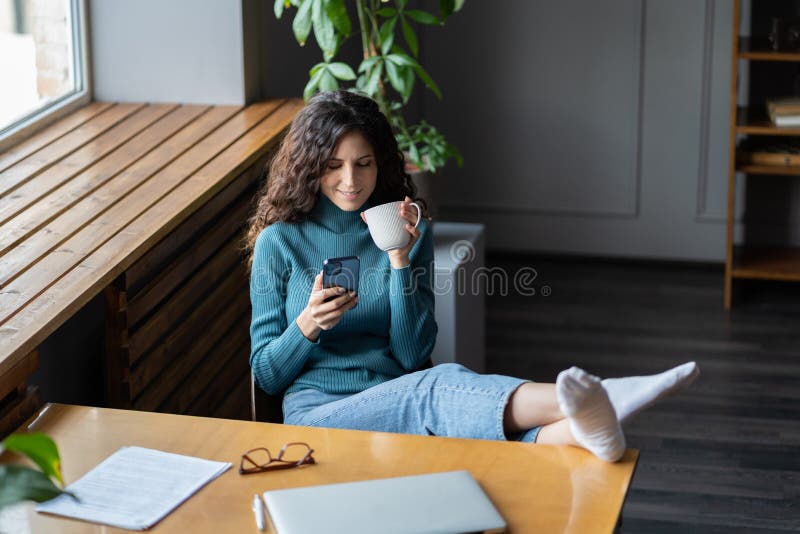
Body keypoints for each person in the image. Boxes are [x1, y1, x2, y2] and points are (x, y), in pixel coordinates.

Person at [245, 90, 698, 463]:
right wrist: (308, 324)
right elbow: (265, 374)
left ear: (380, 163)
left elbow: (410, 354)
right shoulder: (279, 243)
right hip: (319, 415)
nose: (350, 179)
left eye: (363, 163)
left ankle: (583, 432)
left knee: (443, 402)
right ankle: (598, 396)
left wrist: (400, 260)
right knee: (437, 388)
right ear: (311, 165)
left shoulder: (403, 231)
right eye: (333, 165)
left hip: (397, 394)